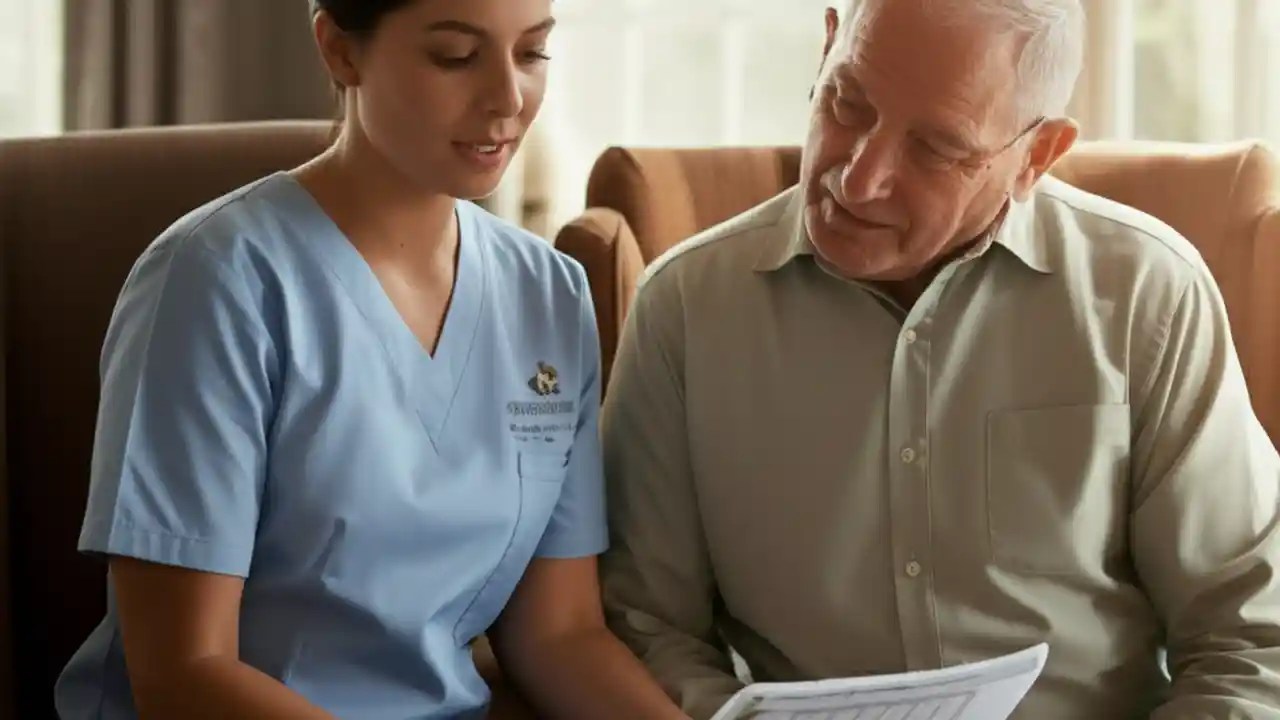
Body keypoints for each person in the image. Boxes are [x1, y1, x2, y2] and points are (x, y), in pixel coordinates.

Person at [599, 0, 1280, 718]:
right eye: (847, 102)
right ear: (827, 47)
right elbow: (645, 628)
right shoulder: (685, 308)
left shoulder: (1148, 295)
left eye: (935, 149)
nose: (858, 180)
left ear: (1037, 155)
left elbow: (1253, 638)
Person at [53, 1, 685, 718]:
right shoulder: (217, 280)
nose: (508, 99)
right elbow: (184, 675)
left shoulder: (548, 293)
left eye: (532, 54)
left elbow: (560, 636)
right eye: (455, 57)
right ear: (339, 51)